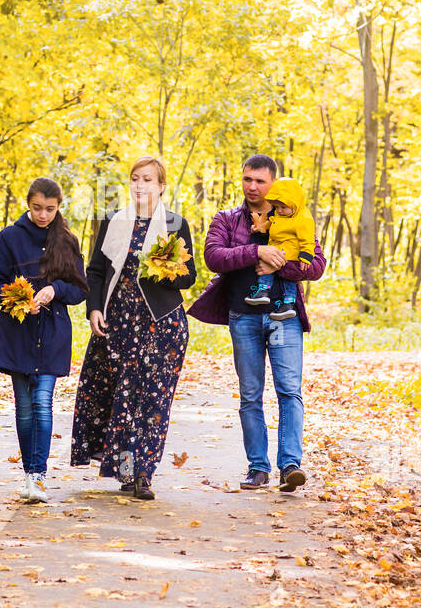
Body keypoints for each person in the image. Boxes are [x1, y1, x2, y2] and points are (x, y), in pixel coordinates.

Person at [188, 155, 326, 493]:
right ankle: (258, 468)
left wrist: (281, 265)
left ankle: (290, 465)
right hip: (243, 316)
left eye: (260, 181)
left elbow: (317, 265)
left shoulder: (296, 215)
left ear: (272, 184)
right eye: (247, 179)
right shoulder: (227, 218)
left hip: (286, 317)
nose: (252, 186)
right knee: (250, 394)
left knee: (289, 391)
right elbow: (213, 256)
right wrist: (256, 252)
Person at [71, 156, 197, 500]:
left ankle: (145, 473)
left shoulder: (175, 224)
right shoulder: (112, 221)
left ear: (161, 187)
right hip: (119, 323)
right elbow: (95, 271)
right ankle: (127, 472)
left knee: (154, 400)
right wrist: (94, 308)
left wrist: (167, 269)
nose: (140, 185)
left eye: (148, 180)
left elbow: (190, 276)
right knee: (122, 399)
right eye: (135, 179)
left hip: (162, 325)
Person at [0, 177, 88, 505]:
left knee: (42, 401)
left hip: (53, 331)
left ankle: (39, 476)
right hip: (18, 331)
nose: (43, 215)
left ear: (59, 207)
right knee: (25, 406)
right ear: (28, 204)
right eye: (37, 208)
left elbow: (79, 288)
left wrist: (55, 290)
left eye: (50, 209)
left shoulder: (67, 240)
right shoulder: (9, 237)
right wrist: (18, 297)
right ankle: (28, 473)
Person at [243, 177, 317, 321]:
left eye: (283, 207)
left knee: (289, 279)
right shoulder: (280, 214)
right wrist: (260, 227)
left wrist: (306, 256)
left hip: (291, 253)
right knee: (268, 266)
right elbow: (274, 223)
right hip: (277, 249)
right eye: (276, 207)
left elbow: (308, 240)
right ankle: (263, 291)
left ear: (294, 203)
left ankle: (288, 303)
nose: (280, 211)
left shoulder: (303, 219)